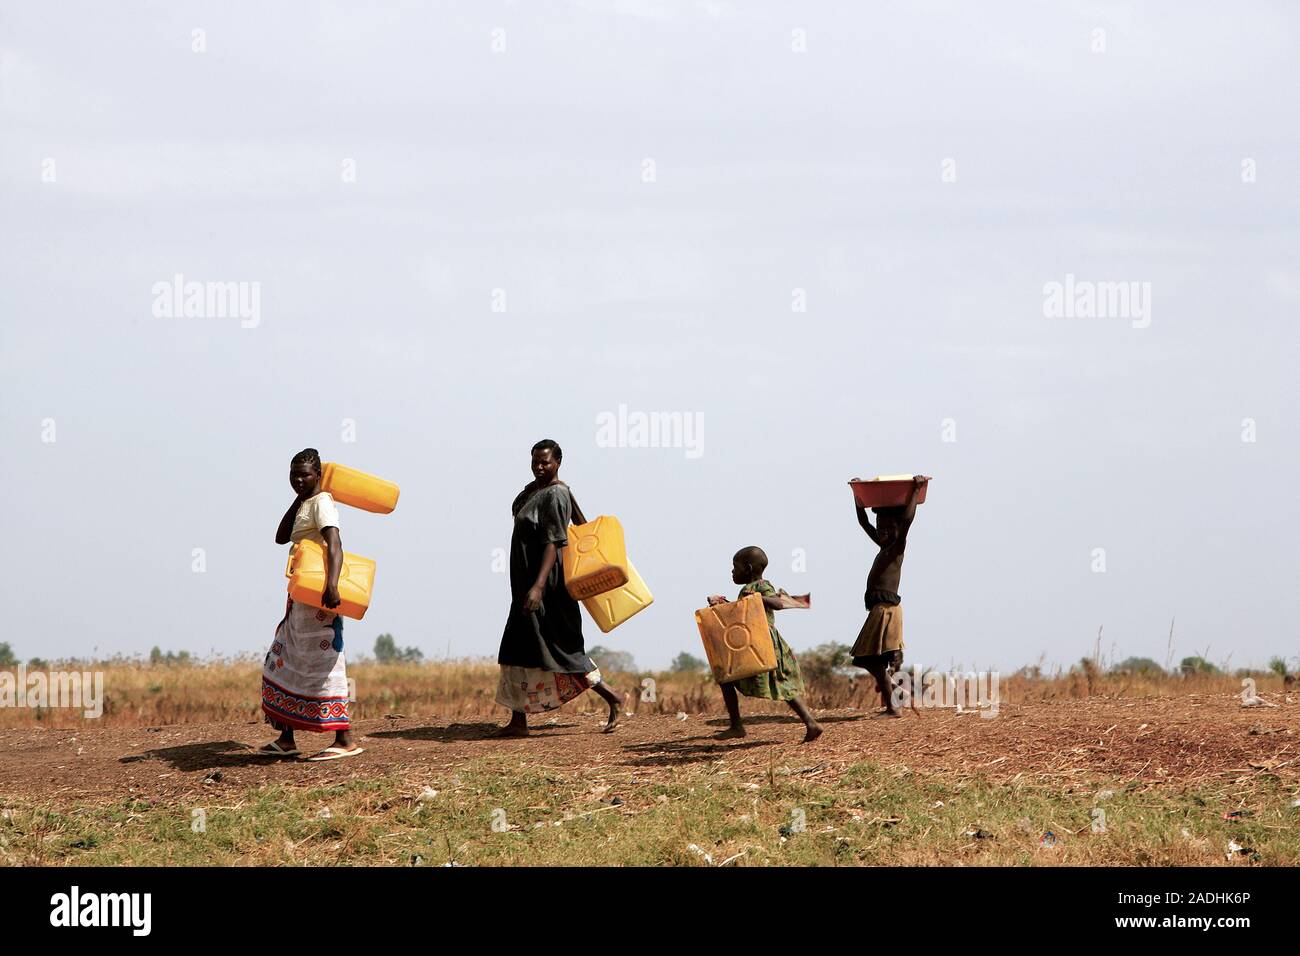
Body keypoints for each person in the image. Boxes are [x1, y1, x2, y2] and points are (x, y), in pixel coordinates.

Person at [495, 439, 623, 737]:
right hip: (525, 583)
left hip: (546, 586)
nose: (540, 467)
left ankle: (614, 697)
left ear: (558, 462)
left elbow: (555, 541)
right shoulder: (534, 490)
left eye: (546, 462)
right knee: (519, 647)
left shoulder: (556, 494)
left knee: (562, 649)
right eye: (535, 461)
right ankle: (518, 721)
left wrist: (538, 587)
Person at [257, 448, 363, 760]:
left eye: (305, 475)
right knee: (286, 660)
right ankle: (287, 738)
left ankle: (344, 739)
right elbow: (280, 537)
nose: (298, 480)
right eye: (294, 475)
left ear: (318, 475)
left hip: (319, 600)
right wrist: (299, 496)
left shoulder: (323, 502)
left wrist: (332, 585)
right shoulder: (307, 502)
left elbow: (335, 544)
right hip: (300, 598)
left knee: (325, 664)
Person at [708, 546, 823, 743]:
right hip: (749, 642)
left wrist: (758, 598)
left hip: (763, 643)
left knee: (779, 684)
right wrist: (722, 603)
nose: (732, 572)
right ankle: (737, 726)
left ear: (749, 568)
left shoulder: (761, 586)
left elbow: (778, 604)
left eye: (735, 567)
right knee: (726, 678)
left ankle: (810, 723)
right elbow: (743, 612)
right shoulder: (748, 590)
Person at [851, 475, 927, 717]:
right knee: (871, 661)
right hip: (879, 610)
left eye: (888, 527)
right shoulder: (883, 545)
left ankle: (893, 704)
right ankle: (894, 700)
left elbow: (907, 520)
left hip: (886, 610)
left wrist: (915, 490)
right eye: (880, 527)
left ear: (897, 529)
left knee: (868, 660)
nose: (883, 531)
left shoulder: (896, 547)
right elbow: (864, 522)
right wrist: (857, 495)